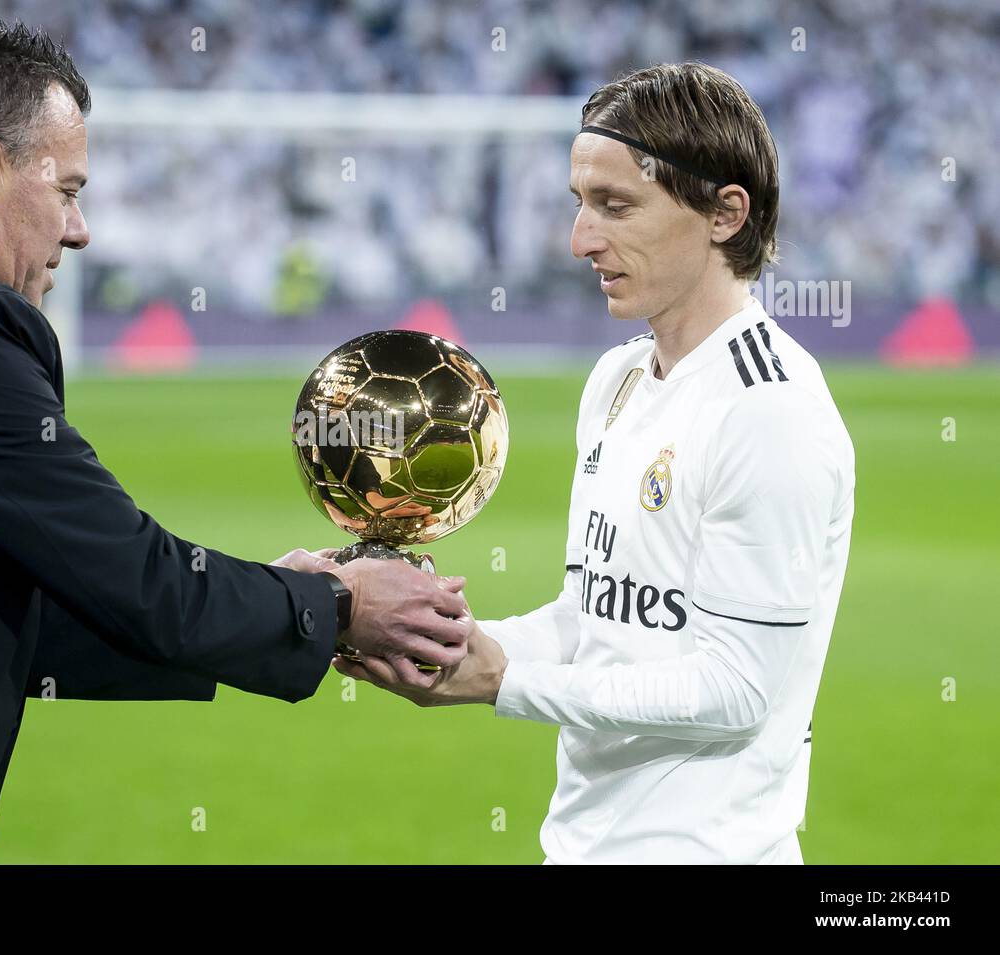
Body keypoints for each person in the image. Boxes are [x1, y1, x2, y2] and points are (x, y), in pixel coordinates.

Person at [0, 17, 469, 864]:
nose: (80, 229)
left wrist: (295, 605)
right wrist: (342, 607)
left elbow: (9, 613)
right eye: (67, 190)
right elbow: (132, 573)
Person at [336, 62, 856, 865]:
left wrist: (502, 679)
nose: (581, 239)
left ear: (725, 212)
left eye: (615, 206)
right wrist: (444, 641)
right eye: (579, 203)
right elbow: (596, 623)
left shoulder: (769, 406)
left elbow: (736, 689)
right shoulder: (616, 380)